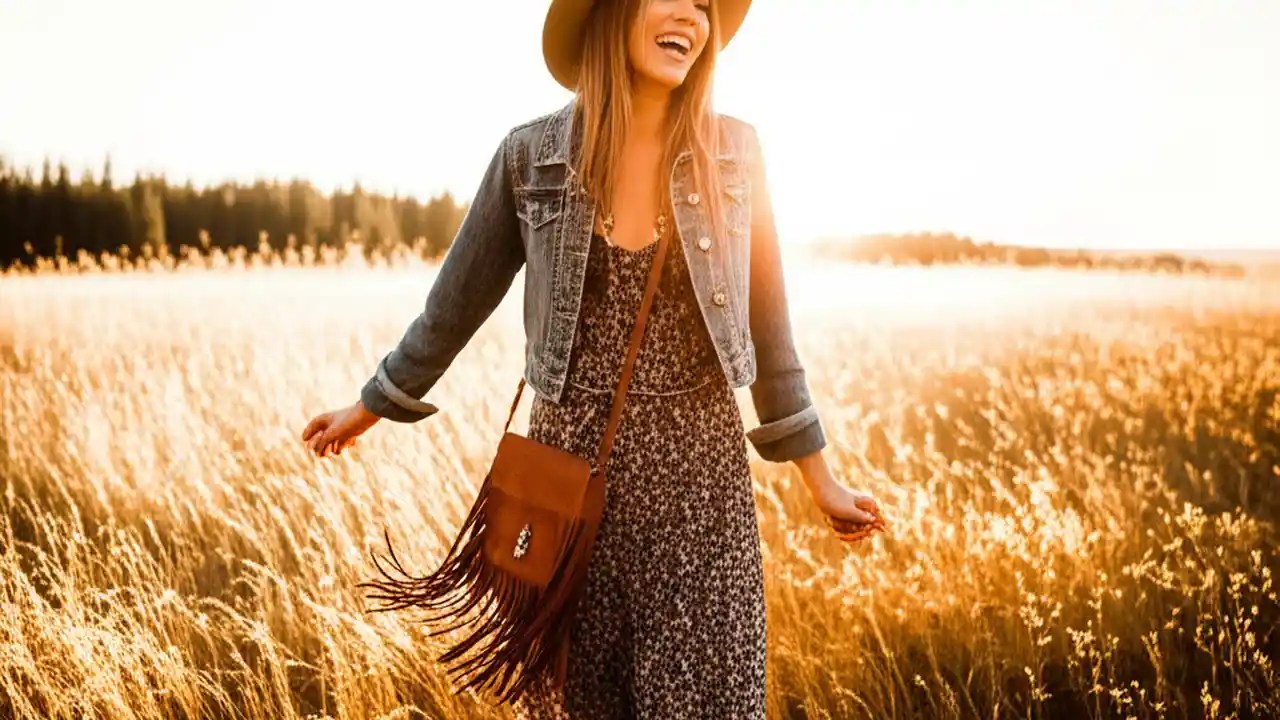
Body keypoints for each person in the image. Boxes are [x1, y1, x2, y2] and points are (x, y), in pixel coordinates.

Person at [301, 0, 888, 716]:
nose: (693, 17)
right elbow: (453, 304)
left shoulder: (736, 153)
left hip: (700, 495)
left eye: (705, 5)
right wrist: (372, 405)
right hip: (568, 487)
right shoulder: (530, 156)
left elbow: (771, 334)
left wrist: (820, 480)